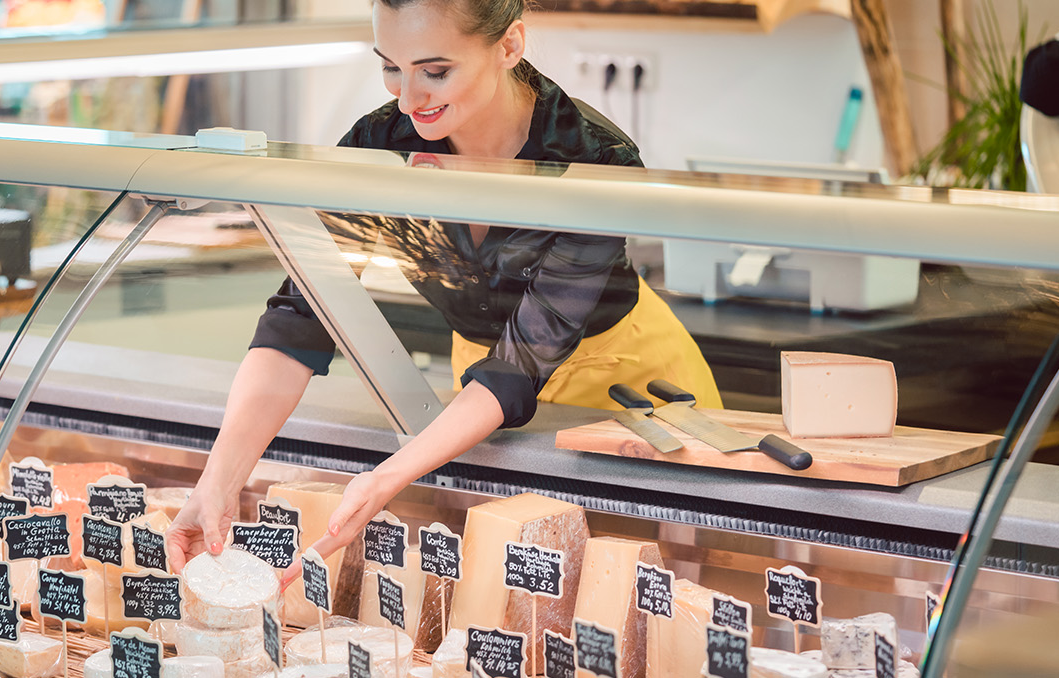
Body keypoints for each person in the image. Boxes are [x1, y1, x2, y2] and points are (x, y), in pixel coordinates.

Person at [167, 0, 721, 581]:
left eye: (435, 72)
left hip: (625, 391)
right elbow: (301, 314)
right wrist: (219, 481)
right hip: (475, 394)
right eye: (391, 68)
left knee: (632, 593)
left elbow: (520, 363)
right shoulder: (380, 147)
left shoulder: (594, 157)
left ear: (509, 45)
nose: (409, 100)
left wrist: (385, 478)